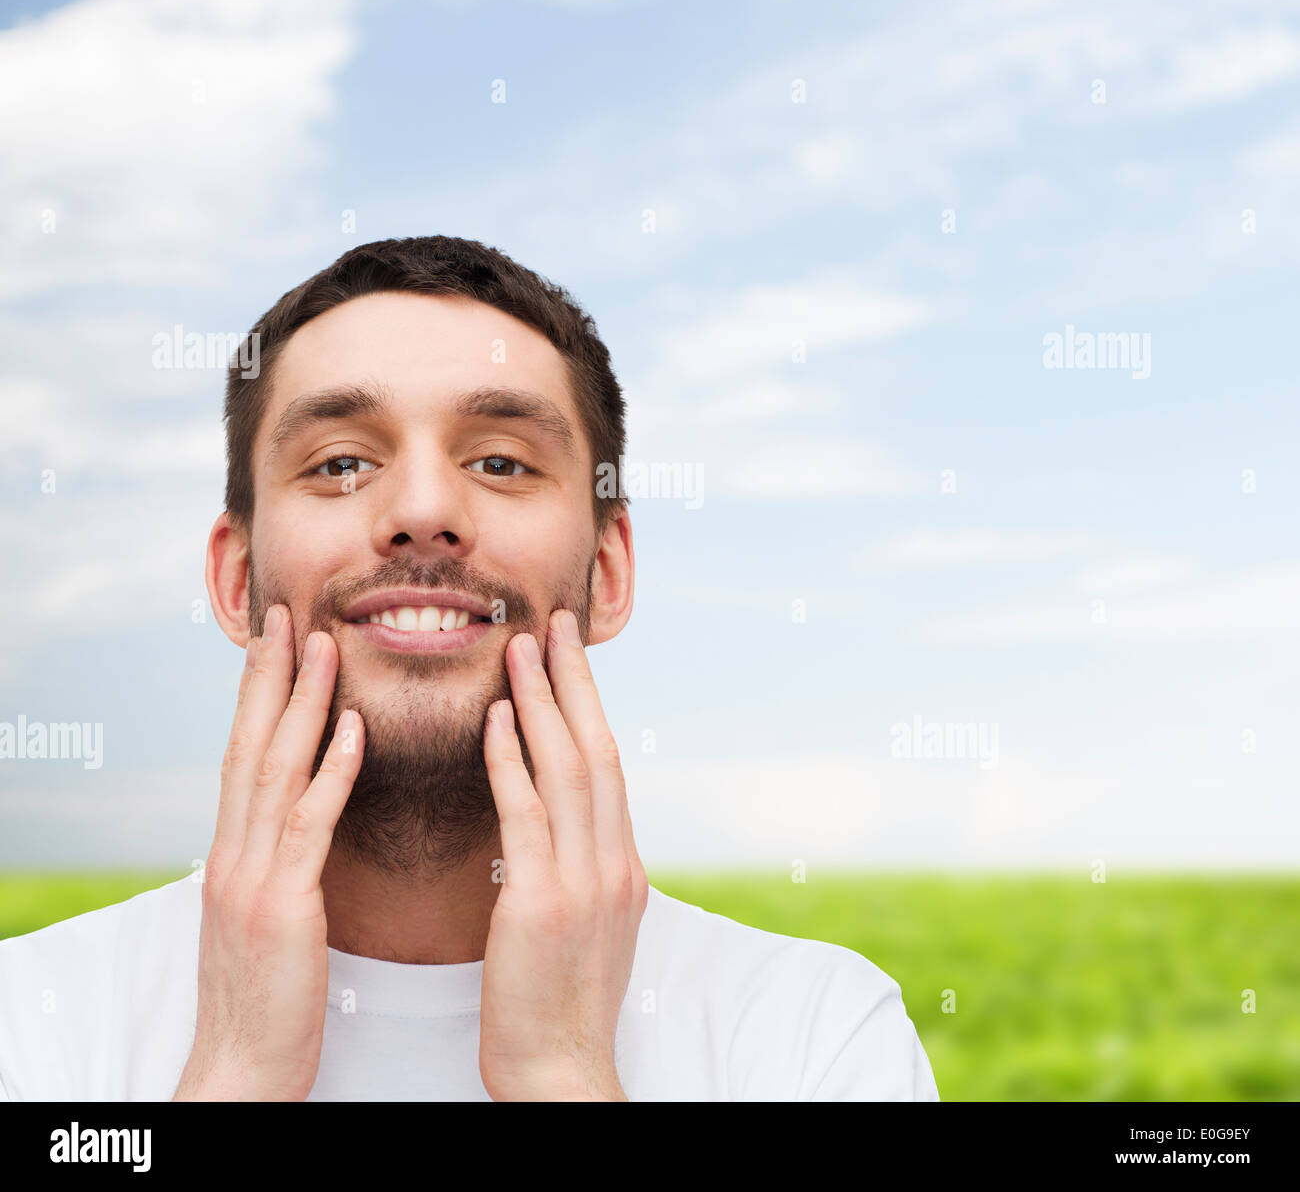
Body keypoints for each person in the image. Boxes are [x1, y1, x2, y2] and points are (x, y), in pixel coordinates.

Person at [0, 237, 939, 1102]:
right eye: (337, 464)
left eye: (499, 460)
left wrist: (563, 1070)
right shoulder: (30, 1019)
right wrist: (236, 1067)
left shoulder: (814, 1033)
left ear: (606, 572)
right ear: (236, 576)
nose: (420, 508)